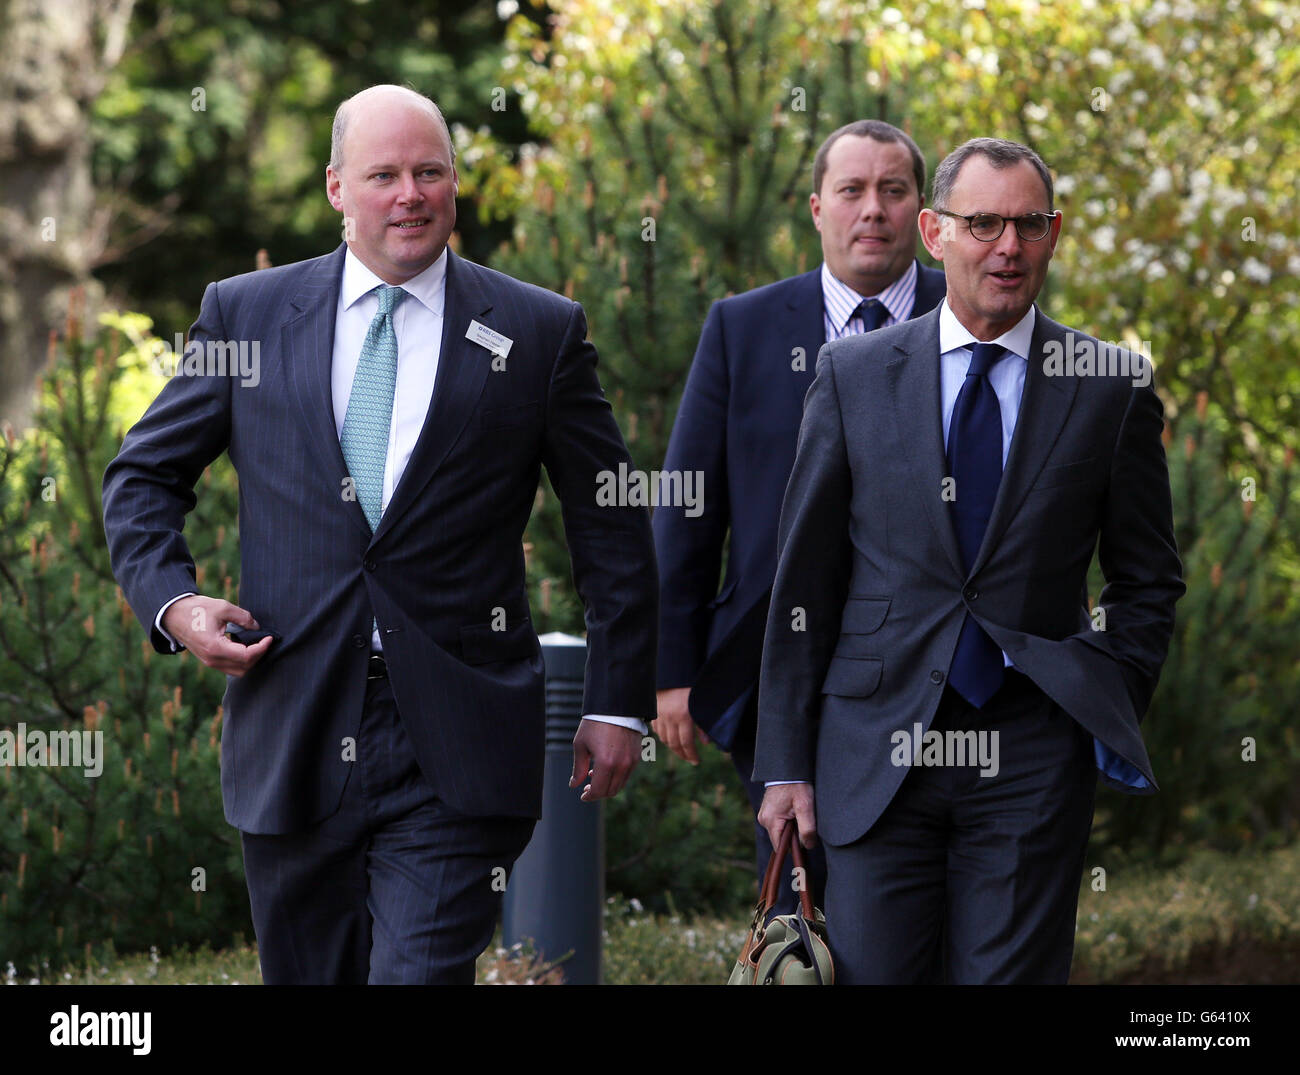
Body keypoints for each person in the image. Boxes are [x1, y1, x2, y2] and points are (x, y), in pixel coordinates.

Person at [101, 84, 657, 985]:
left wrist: (614, 697)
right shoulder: (245, 316)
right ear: (335, 188)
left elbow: (611, 520)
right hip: (293, 718)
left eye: (430, 172)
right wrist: (175, 601)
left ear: (453, 184)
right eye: (385, 174)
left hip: (458, 735)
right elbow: (142, 474)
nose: (411, 193)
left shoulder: (537, 330)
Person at [754, 138, 1184, 983]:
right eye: (982, 222)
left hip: (1030, 751)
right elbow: (803, 584)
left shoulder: (1108, 384)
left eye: (1029, 224)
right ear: (933, 232)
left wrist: (1096, 696)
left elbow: (1149, 578)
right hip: (876, 750)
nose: (1008, 247)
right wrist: (787, 764)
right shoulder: (853, 373)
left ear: (1054, 234)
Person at [651, 120, 945, 906]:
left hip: (935, 668)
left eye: (893, 190)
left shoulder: (974, 316)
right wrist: (672, 669)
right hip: (775, 665)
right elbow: (688, 505)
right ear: (817, 208)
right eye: (851, 190)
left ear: (924, 214)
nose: (871, 210)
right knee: (797, 908)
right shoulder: (742, 328)